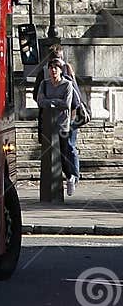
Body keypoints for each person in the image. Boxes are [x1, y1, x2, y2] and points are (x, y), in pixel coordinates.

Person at [32, 45, 92, 179]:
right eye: (55, 59)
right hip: (55, 118)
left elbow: (73, 99)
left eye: (58, 59)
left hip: (69, 117)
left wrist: (51, 102)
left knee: (67, 147)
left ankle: (73, 176)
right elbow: (39, 97)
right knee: (65, 148)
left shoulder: (65, 72)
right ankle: (70, 176)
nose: (55, 66)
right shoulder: (46, 75)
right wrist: (55, 102)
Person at [36, 58, 81, 195]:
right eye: (51, 68)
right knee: (48, 154)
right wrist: (55, 102)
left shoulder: (67, 85)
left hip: (62, 125)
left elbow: (66, 104)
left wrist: (50, 102)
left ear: (61, 70)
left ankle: (70, 177)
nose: (53, 70)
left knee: (63, 154)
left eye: (56, 67)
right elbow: (40, 101)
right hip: (47, 125)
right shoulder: (44, 84)